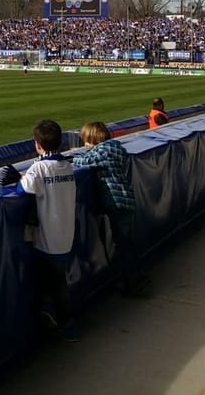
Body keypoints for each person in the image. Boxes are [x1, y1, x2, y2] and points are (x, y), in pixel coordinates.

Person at [0, 119, 77, 341]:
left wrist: (22, 178)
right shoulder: (66, 165)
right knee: (58, 283)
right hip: (65, 234)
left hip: (48, 239)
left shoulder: (40, 168)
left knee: (53, 286)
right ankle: (59, 323)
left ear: (37, 144)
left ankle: (62, 325)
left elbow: (21, 190)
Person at [72, 121, 148, 296]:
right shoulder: (115, 147)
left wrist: (74, 157)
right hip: (123, 200)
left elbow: (84, 161)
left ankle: (133, 283)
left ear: (93, 138)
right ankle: (136, 278)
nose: (85, 144)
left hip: (117, 202)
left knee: (123, 245)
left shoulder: (104, 151)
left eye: (86, 141)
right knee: (126, 243)